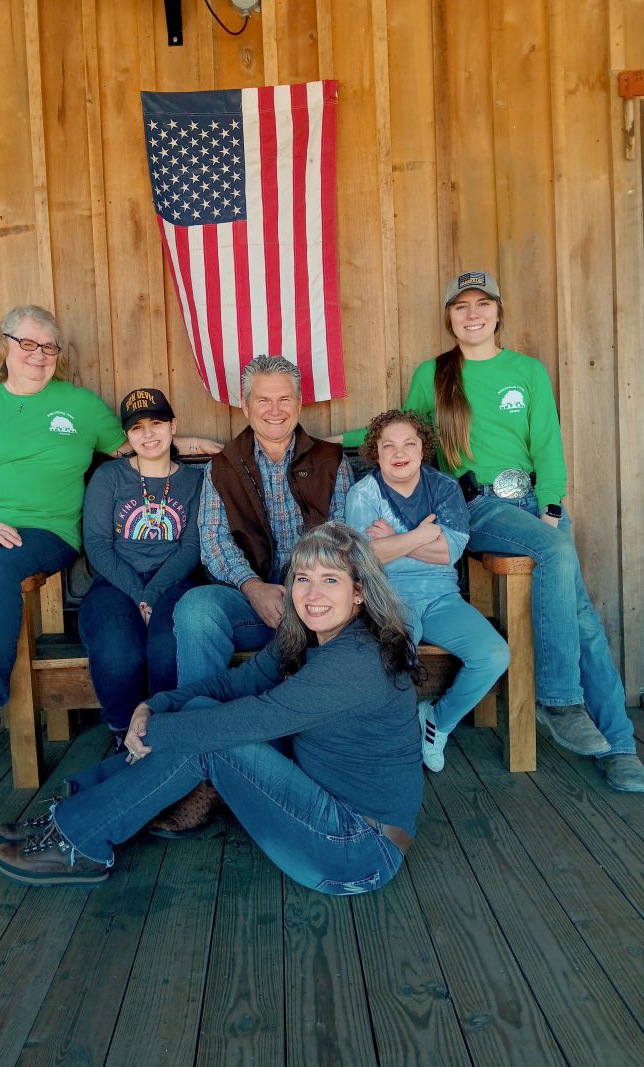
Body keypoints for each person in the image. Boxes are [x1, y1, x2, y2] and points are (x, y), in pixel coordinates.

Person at [0, 306, 220, 811]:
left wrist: (197, 444)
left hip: (46, 532)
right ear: (5, 346)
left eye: (48, 347)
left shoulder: (79, 406)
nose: (38, 355)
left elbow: (139, 445)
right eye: (28, 344)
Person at [0, 522, 423, 891]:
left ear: (360, 592)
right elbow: (235, 684)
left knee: (215, 738)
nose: (312, 594)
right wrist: (154, 704)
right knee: (202, 708)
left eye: (331, 580)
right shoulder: (308, 636)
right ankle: (77, 807)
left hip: (357, 849)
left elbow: (253, 720)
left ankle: (79, 837)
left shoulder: (357, 660)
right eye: (302, 578)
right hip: (320, 799)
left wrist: (152, 728)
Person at [397, 270, 642, 792]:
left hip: (535, 505)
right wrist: (329, 438)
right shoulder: (435, 374)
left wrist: (551, 506)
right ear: (450, 318)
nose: (472, 314)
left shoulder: (527, 371)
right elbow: (404, 433)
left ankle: (619, 744)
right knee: (555, 556)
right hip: (479, 507)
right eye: (461, 307)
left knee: (583, 617)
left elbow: (547, 445)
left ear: (498, 312)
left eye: (481, 304)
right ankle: (558, 701)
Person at [151, 355, 353, 835]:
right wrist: (253, 587)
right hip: (249, 594)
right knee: (197, 609)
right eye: (263, 399)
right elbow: (215, 543)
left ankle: (273, 763)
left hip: (314, 597)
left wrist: (304, 591)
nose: (275, 408)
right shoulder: (224, 466)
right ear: (245, 405)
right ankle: (200, 764)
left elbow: (343, 539)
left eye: (285, 398)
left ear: (300, 401)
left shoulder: (330, 460)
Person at [345, 409, 509, 771]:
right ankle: (393, 740)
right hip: (389, 597)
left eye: (408, 444)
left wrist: (396, 540)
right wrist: (422, 535)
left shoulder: (444, 488)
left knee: (494, 654)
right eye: (388, 446)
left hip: (441, 598)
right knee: (399, 651)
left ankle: (438, 721)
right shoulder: (363, 494)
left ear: (422, 449)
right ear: (376, 452)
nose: (399, 452)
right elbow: (367, 557)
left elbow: (449, 551)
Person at [78, 388, 203, 748]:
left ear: (173, 426)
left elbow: (192, 545)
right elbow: (99, 544)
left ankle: (164, 732)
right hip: (116, 582)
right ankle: (122, 732)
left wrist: (152, 594)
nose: (148, 434)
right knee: (119, 651)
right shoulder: (109, 477)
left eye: (157, 423)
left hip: (176, 581)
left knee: (168, 647)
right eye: (137, 428)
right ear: (127, 436)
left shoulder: (195, 481)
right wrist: (137, 593)